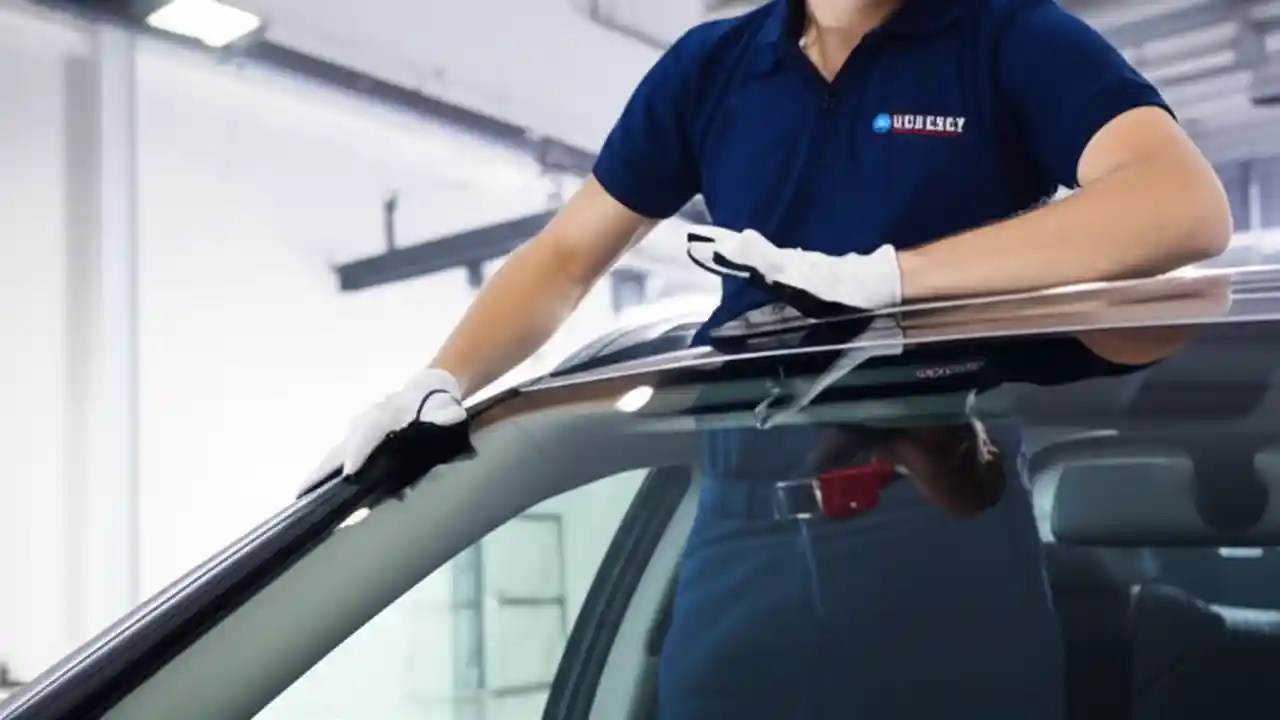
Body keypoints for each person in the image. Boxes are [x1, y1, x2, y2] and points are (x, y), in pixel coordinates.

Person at [308, 0, 1231, 716]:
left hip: (947, 523)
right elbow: (567, 252)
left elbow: (1183, 206)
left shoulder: (1007, 37)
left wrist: (895, 280)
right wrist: (441, 380)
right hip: (739, 530)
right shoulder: (712, 69)